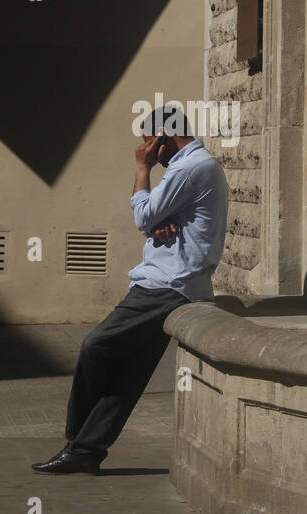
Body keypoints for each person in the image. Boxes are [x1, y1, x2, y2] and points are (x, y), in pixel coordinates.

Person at [32, 104, 229, 474]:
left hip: (165, 286)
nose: (146, 151)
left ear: (163, 138)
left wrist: (142, 170)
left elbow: (142, 213)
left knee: (95, 346)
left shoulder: (189, 167)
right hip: (177, 282)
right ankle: (85, 452)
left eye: (148, 144)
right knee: (128, 376)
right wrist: (156, 220)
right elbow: (152, 217)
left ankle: (76, 438)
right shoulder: (195, 167)